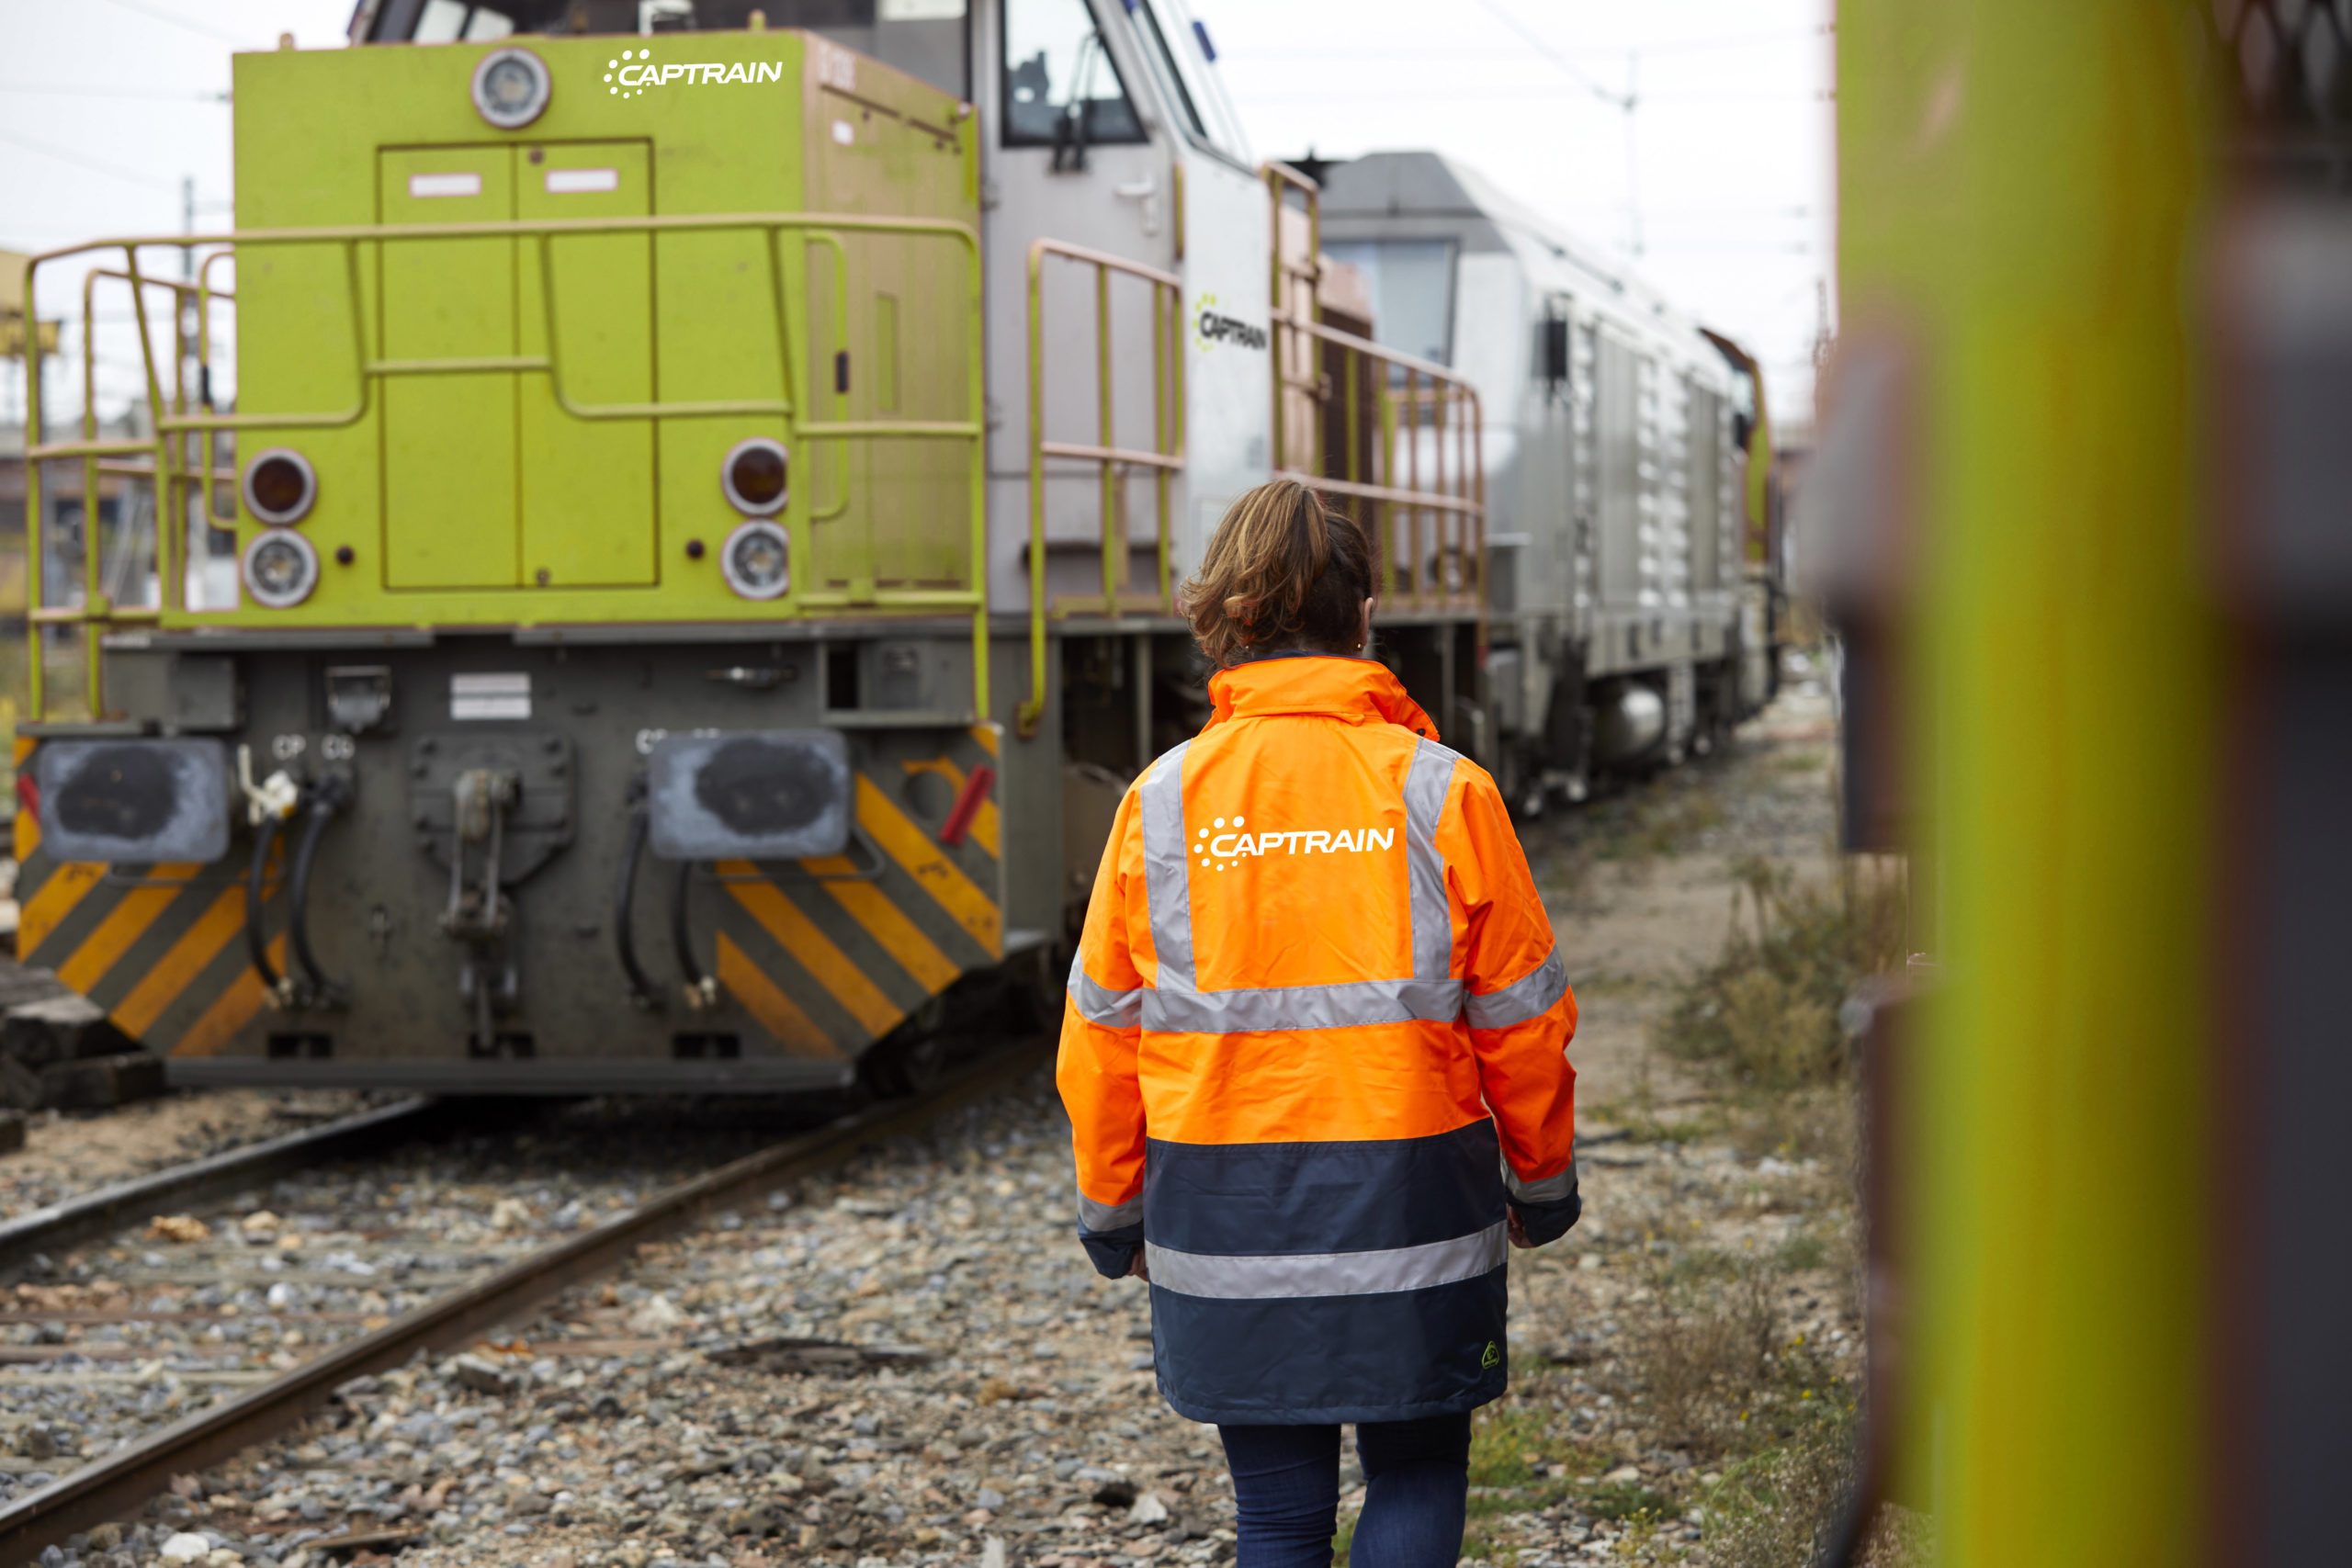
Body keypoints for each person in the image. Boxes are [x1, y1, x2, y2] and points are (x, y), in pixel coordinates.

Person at [1057, 479, 1581, 1568]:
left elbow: (1102, 1033)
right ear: (1366, 615)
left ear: (1224, 619)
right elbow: (1521, 1020)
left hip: (1224, 1216)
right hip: (1414, 1205)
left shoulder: (1159, 803)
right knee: (1417, 1472)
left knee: (1279, 1517)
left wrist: (1113, 1211)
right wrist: (1541, 1183)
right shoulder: (1444, 792)